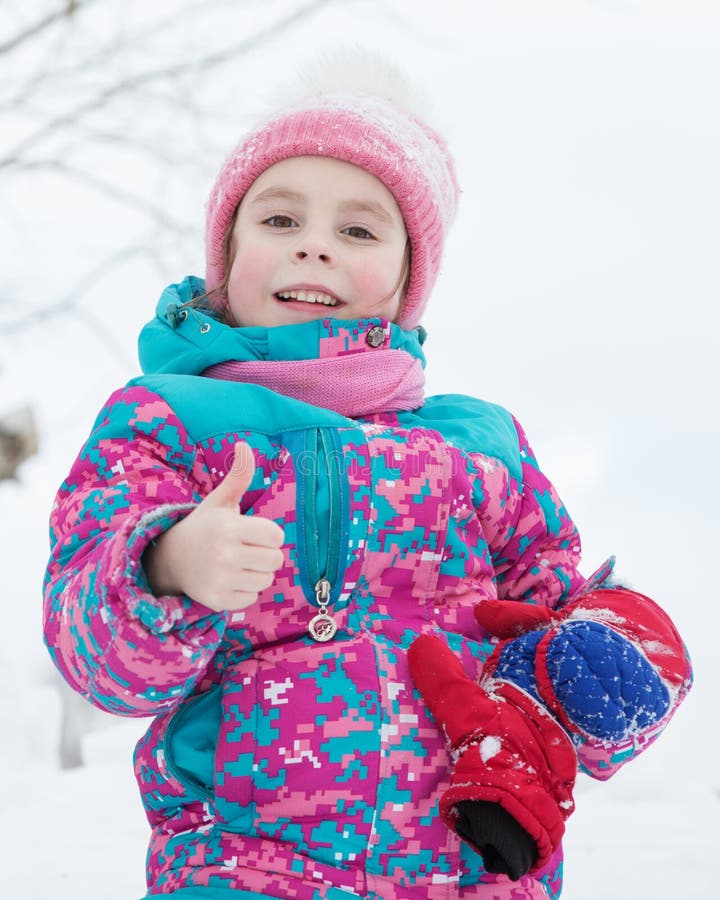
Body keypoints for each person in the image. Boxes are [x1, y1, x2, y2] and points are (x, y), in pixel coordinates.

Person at [43, 57, 692, 900]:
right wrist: (169, 566)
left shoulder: (480, 445)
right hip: (247, 865)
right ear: (227, 256)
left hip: (473, 867)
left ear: (406, 280)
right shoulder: (167, 423)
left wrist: (607, 663)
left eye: (358, 230)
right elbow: (92, 652)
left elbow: (547, 624)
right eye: (280, 218)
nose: (313, 242)